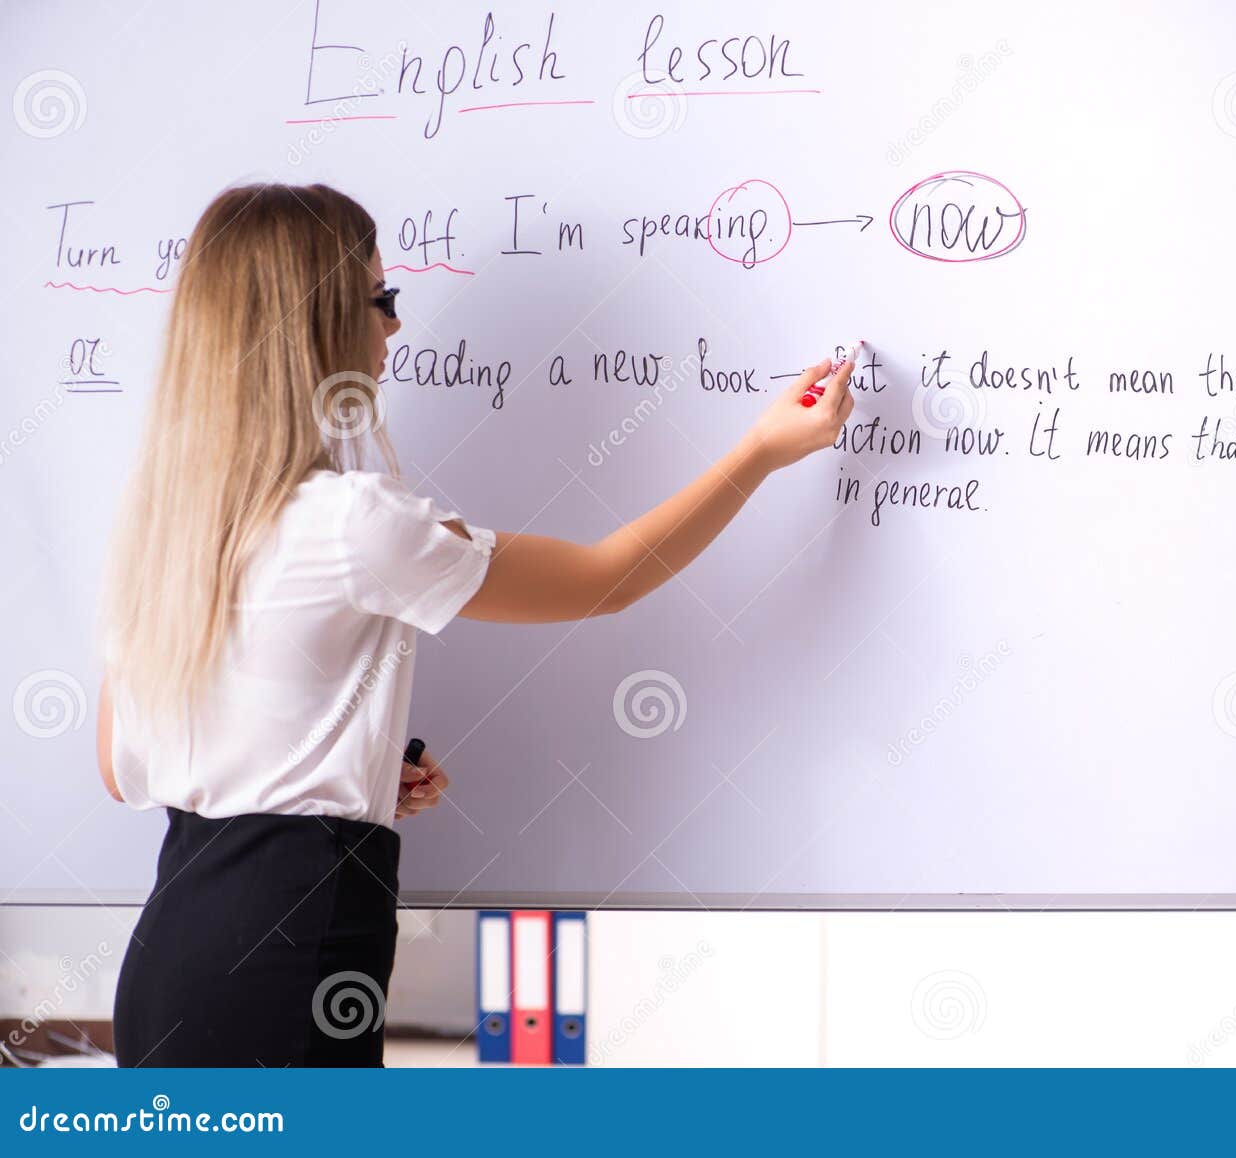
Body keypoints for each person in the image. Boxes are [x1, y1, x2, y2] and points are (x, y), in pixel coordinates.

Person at [97, 183, 854, 1067]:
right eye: (381, 300)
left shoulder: (165, 531)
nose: (394, 328)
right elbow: (609, 579)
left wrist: (356, 760)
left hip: (170, 961)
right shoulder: (353, 524)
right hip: (290, 957)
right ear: (313, 324)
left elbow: (123, 769)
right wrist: (761, 450)